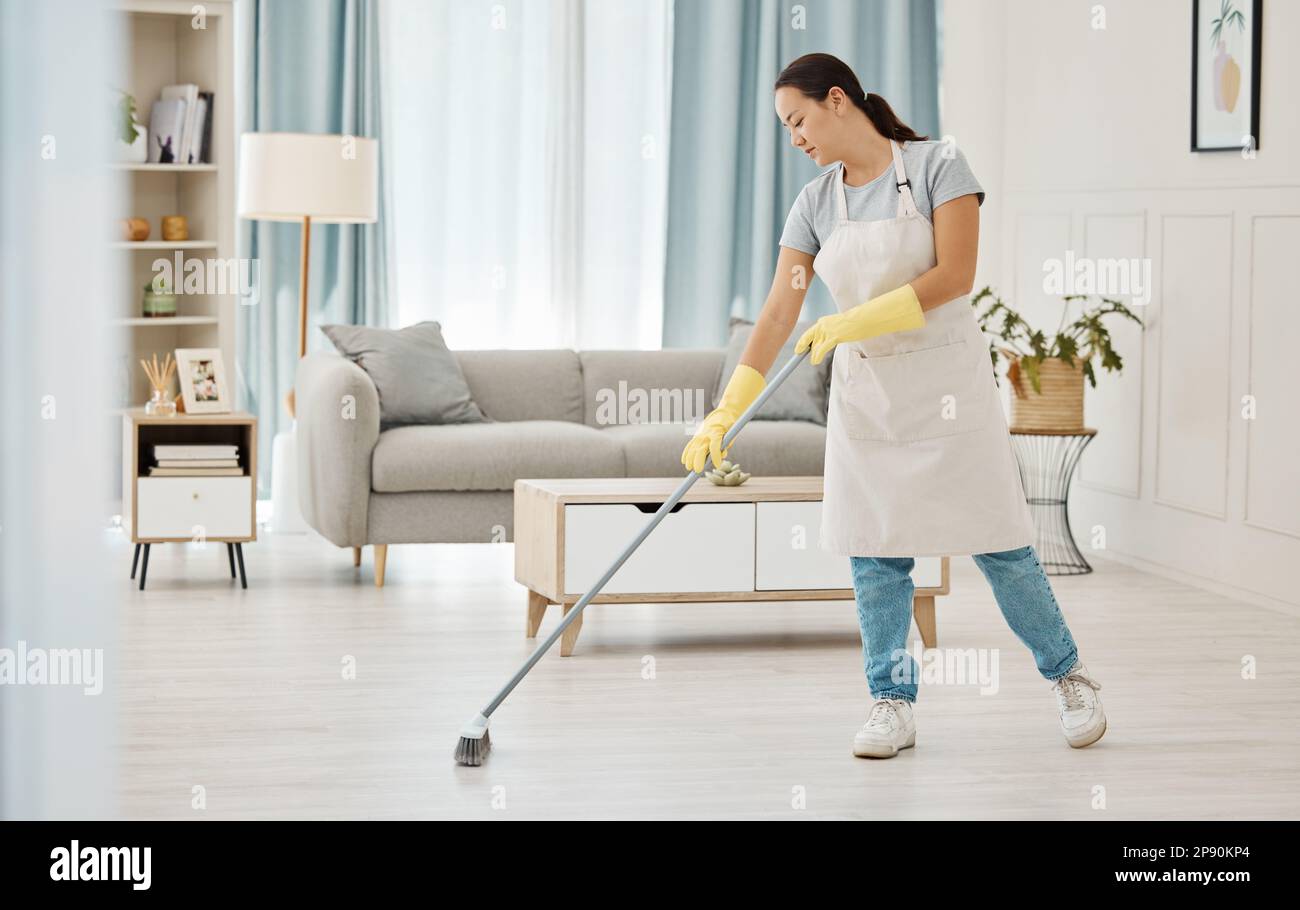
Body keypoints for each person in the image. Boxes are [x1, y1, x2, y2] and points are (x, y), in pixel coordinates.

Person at [680, 53, 1105, 759]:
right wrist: (725, 412)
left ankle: (1070, 678)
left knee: (1002, 546)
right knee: (878, 558)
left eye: (798, 120)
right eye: (787, 128)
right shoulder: (816, 203)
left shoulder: (940, 166)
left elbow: (956, 274)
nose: (796, 138)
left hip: (949, 394)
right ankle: (891, 703)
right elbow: (779, 315)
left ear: (837, 100)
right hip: (870, 402)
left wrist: (851, 321)